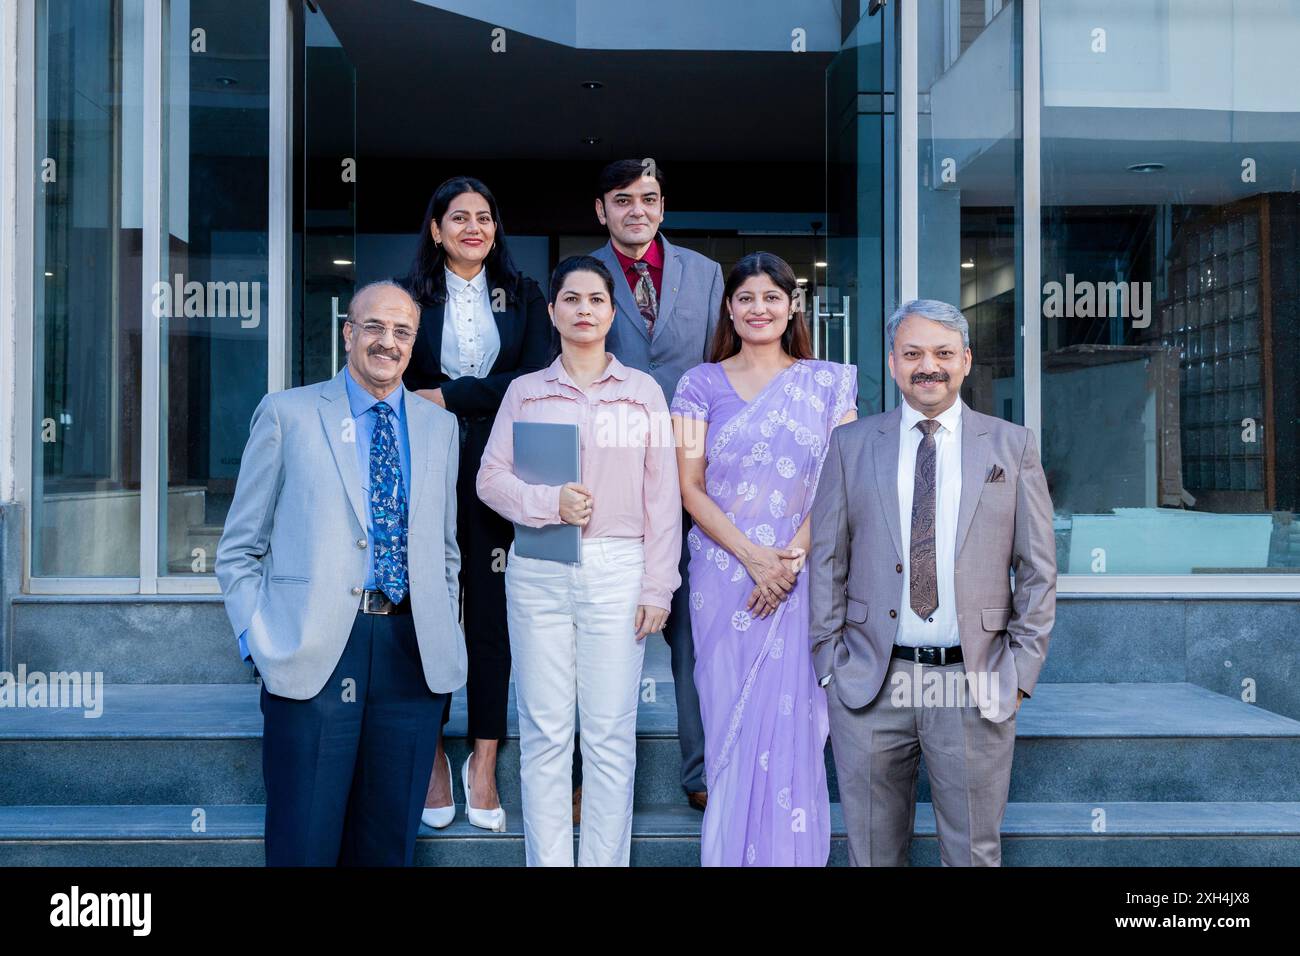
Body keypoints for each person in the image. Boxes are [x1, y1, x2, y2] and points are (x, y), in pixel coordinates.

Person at [215, 280, 464, 866]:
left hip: (412, 653)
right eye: (374, 327)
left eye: (402, 331)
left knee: (387, 848)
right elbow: (238, 548)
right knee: (305, 839)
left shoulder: (440, 428)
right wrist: (260, 640)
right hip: (316, 648)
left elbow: (445, 550)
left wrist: (443, 623)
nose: (388, 342)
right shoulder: (288, 414)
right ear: (349, 333)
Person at [809, 298, 1056, 866]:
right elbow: (828, 560)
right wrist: (829, 661)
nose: (930, 366)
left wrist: (1018, 673)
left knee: (972, 852)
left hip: (973, 682)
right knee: (872, 852)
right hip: (872, 681)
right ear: (893, 363)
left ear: (966, 361)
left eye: (944, 353)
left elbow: (1039, 569)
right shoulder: (851, 446)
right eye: (913, 353)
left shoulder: (1011, 445)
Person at [477, 255, 682, 866]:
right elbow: (490, 478)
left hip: (619, 569)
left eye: (596, 300)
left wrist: (658, 587)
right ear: (553, 311)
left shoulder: (643, 392)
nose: (584, 310)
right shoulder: (525, 391)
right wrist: (547, 502)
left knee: (609, 734)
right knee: (544, 733)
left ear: (612, 313)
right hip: (539, 567)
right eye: (572, 299)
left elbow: (663, 498)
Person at [671, 252, 857, 866]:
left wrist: (787, 562)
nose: (758, 309)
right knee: (728, 716)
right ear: (729, 307)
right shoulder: (697, 386)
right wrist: (755, 559)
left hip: (802, 574)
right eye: (746, 297)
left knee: (796, 722)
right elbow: (689, 486)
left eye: (771, 297)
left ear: (792, 306)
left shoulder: (829, 383)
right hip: (724, 579)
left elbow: (841, 482)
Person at [402, 175, 550, 832]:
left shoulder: (523, 296)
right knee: (427, 605)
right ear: (435, 230)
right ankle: (431, 751)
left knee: (491, 613)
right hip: (422, 467)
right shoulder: (408, 298)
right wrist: (453, 396)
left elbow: (535, 380)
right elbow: (397, 381)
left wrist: (449, 395)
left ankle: (483, 759)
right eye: (457, 217)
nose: (473, 228)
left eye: (484, 218)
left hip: (502, 469)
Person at [587, 158, 723, 813]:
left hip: (691, 476)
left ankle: (699, 771)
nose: (636, 210)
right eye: (622, 200)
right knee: (598, 631)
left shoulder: (706, 274)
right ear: (602, 210)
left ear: (662, 207)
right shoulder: (579, 278)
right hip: (604, 478)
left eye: (648, 199)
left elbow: (719, 371)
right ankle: (589, 776)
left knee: (693, 633)